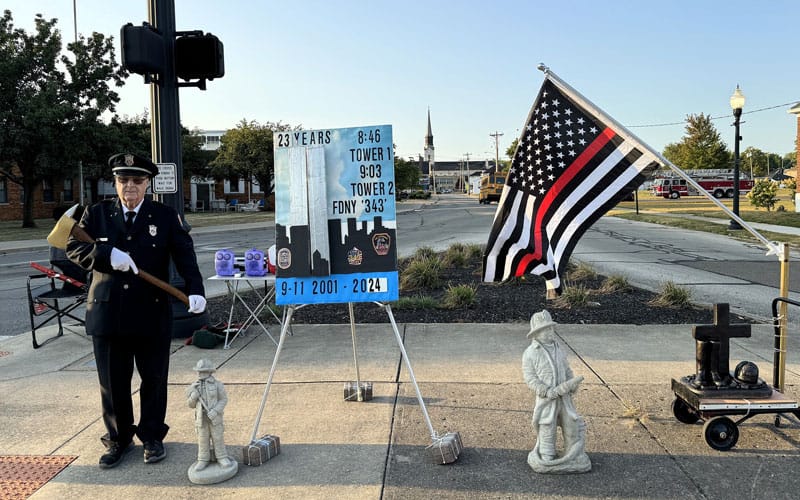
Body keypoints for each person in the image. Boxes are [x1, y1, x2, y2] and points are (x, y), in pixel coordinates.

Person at [66, 153, 207, 469]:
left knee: (154, 379)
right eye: (123, 180)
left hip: (151, 312)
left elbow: (186, 256)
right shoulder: (97, 213)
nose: (130, 186)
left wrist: (195, 291)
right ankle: (118, 439)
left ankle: (153, 436)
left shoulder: (165, 216)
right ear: (115, 183)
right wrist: (105, 255)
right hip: (108, 312)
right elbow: (72, 247)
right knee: (112, 382)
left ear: (148, 184)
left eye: (137, 180)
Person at [522, 310, 590, 473]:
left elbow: (567, 369)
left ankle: (573, 455)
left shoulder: (559, 349)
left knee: (571, 424)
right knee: (547, 426)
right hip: (547, 401)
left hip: (564, 398)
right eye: (545, 330)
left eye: (551, 328)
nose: (550, 332)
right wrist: (545, 390)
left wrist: (572, 384)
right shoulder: (531, 353)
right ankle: (547, 458)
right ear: (536, 334)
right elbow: (530, 377)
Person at [186, 359, 234, 471]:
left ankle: (222, 457)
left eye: (203, 371)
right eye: (199, 371)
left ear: (210, 372)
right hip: (201, 418)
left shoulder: (218, 385)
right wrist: (193, 396)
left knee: (218, 437)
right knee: (202, 439)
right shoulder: (194, 387)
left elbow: (223, 400)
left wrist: (215, 411)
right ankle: (203, 459)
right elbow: (190, 404)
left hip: (214, 418)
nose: (200, 374)